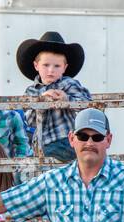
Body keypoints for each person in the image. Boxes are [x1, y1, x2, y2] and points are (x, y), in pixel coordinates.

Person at [16, 31, 92, 165]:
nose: (51, 70)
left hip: (67, 141)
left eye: (57, 66)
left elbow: (87, 107)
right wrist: (41, 102)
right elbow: (30, 120)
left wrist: (67, 100)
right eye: (46, 65)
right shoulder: (31, 91)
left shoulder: (68, 84)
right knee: (33, 159)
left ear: (64, 68)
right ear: (36, 66)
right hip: (43, 144)